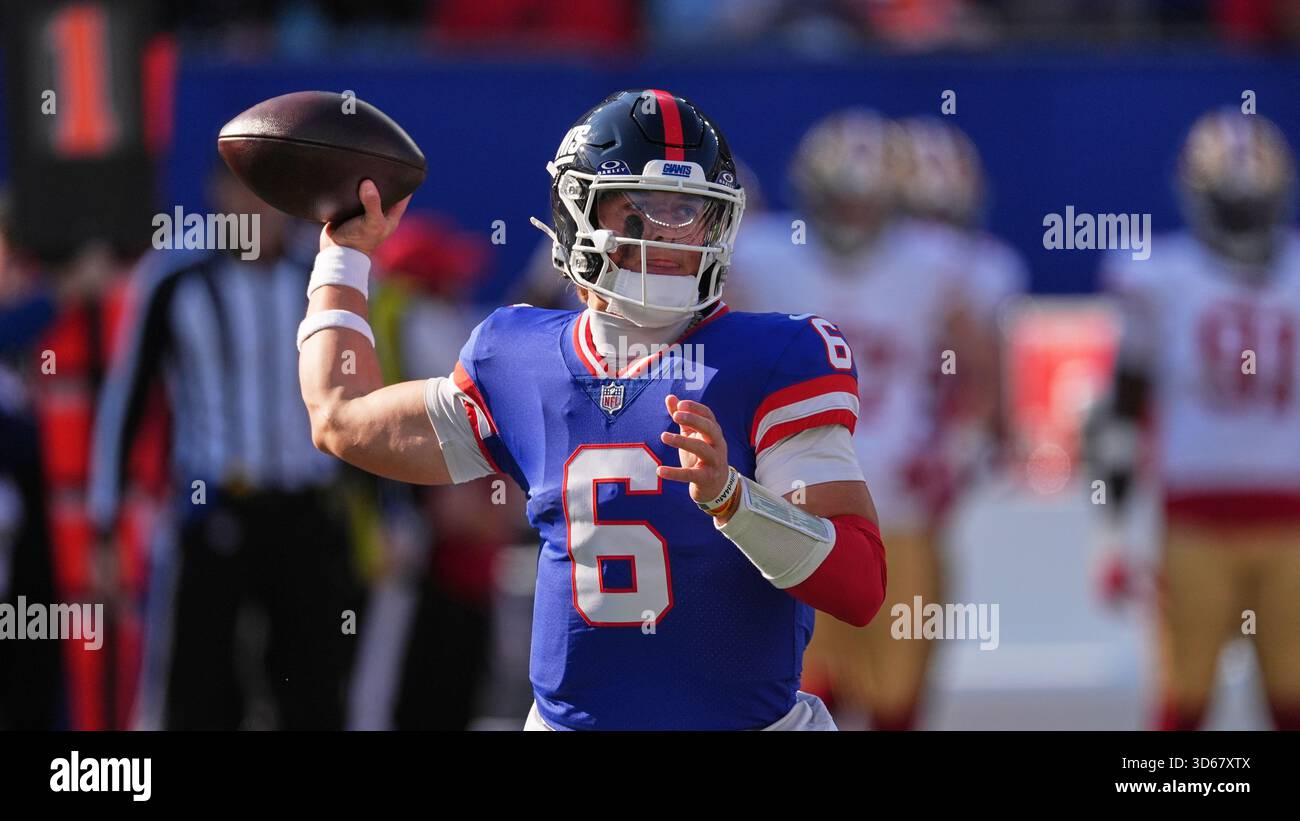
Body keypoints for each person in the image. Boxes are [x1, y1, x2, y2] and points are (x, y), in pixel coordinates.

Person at [298, 89, 888, 730]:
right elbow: (340, 416)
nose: (667, 231)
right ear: (579, 211)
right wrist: (344, 254)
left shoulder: (779, 356)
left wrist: (735, 501)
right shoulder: (517, 357)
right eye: (640, 205)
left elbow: (859, 587)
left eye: (690, 210)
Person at [730, 109, 993, 729]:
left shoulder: (935, 262)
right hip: (791, 508)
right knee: (799, 696)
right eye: (841, 200)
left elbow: (981, 371)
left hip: (897, 507)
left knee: (897, 700)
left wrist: (960, 448)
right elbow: (720, 367)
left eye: (867, 202)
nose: (853, 216)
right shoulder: (763, 256)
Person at [89, 164, 361, 729]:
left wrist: (386, 508)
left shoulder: (320, 278)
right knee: (198, 684)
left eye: (271, 192)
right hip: (213, 509)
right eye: (245, 190)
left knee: (314, 684)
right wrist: (105, 523)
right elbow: (126, 402)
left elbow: (360, 396)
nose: (259, 208)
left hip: (305, 510)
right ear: (220, 194)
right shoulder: (175, 277)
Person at [1093, 109, 1300, 730]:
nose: (1241, 217)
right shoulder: (1160, 277)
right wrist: (1110, 535)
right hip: (1195, 521)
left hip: (1280, 519)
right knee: (1183, 702)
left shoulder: (1158, 273)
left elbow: (1120, 421)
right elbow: (1123, 414)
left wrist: (1109, 533)